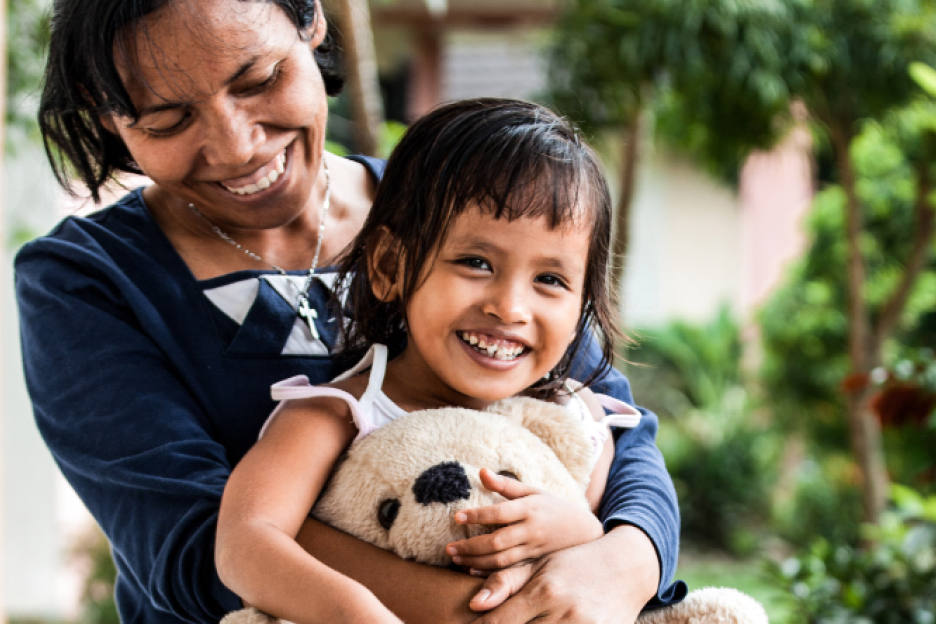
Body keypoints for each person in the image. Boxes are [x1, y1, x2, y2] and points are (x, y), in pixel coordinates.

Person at [15, 0, 686, 621]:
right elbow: (196, 544)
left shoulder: (461, 210)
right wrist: (493, 613)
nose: (237, 144)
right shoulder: (87, 279)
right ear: (105, 113)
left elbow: (614, 435)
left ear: (312, 21)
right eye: (168, 118)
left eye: (257, 80)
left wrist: (617, 564)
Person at [216, 98, 650, 622]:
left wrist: (580, 532)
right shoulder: (339, 413)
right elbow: (244, 543)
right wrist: (357, 610)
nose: (509, 307)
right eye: (476, 262)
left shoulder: (578, 422)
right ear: (388, 266)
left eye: (550, 280)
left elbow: (599, 547)